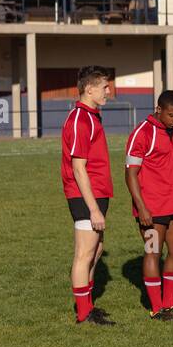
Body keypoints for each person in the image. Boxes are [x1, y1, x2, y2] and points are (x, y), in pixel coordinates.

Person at [125, 90, 173, 320]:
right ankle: (156, 308)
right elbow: (131, 174)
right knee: (153, 252)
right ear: (158, 109)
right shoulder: (142, 134)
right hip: (152, 208)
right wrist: (141, 207)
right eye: (172, 115)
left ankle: (169, 303)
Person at [62, 66, 117, 325]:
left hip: (96, 193)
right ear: (89, 88)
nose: (109, 91)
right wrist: (93, 208)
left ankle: (88, 306)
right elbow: (78, 167)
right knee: (84, 253)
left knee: (96, 251)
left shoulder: (92, 116)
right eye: (104, 87)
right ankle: (84, 313)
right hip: (85, 196)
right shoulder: (79, 119)